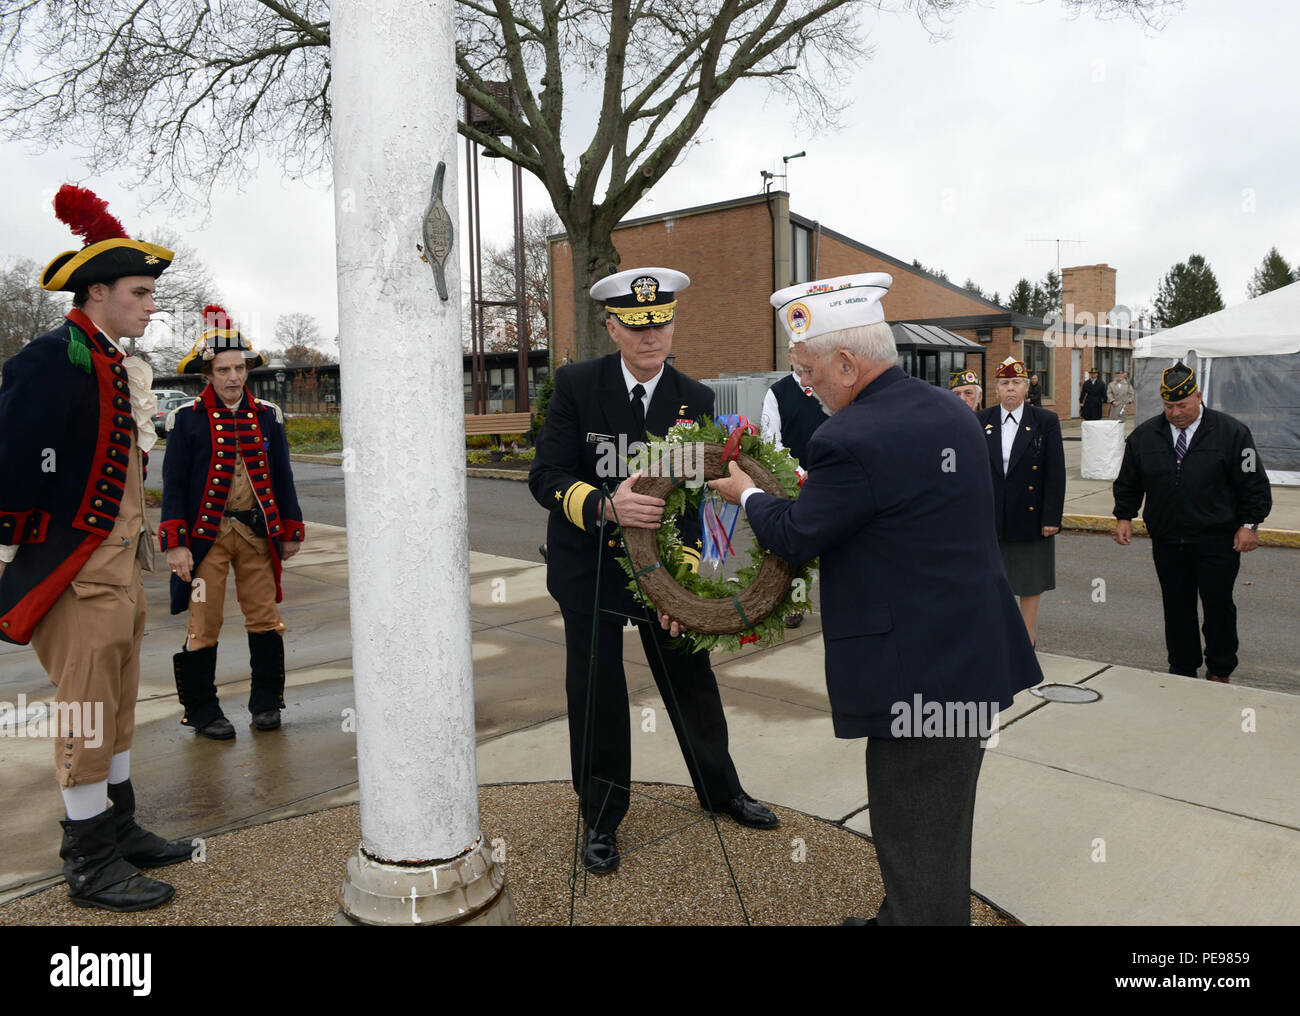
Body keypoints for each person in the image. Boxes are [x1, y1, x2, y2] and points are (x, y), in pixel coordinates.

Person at [708, 273, 1042, 925]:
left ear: (846, 361)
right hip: (968, 661)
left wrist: (745, 493)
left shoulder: (849, 437)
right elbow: (896, 504)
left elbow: (799, 536)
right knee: (935, 833)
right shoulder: (949, 410)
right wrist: (824, 490)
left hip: (914, 676)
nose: (805, 386)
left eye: (807, 371)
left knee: (913, 831)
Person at [528, 266, 778, 876]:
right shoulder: (577, 385)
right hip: (589, 566)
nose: (651, 337)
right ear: (612, 328)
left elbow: (696, 496)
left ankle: (723, 792)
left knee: (692, 682)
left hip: (665, 572)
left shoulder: (696, 398)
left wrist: (685, 577)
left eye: (660, 323)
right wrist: (604, 504)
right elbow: (546, 477)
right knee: (598, 693)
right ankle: (602, 818)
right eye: (637, 326)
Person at [0, 184, 194, 912]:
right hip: (78, 567)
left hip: (118, 564)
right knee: (83, 711)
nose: (151, 305)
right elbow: (16, 456)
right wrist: (19, 537)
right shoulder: (54, 357)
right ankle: (87, 860)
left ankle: (118, 828)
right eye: (140, 292)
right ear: (99, 291)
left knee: (113, 704)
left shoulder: (108, 356)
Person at [161, 306, 305, 738]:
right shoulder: (185, 419)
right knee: (203, 624)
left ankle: (266, 703)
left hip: (256, 535)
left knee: (265, 619)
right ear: (208, 374)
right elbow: (173, 488)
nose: (234, 377)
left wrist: (291, 528)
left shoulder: (267, 415)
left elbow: (282, 476)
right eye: (224, 369)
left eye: (240, 368)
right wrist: (176, 543)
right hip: (207, 540)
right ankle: (202, 711)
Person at [1113, 364, 1271, 683]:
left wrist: (1250, 524)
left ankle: (1219, 668)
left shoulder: (1232, 433)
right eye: (1169, 406)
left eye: (1182, 405)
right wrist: (1124, 516)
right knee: (1177, 607)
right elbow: (1129, 481)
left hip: (1217, 541)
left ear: (1198, 396)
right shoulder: (1145, 436)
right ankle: (1182, 668)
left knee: (1218, 606)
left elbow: (1254, 483)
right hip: (1168, 540)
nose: (1176, 413)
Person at [977, 357, 1066, 646]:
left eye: (1016, 383)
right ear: (996, 388)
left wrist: (1052, 517)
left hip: (1031, 513)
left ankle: (1027, 636)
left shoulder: (1045, 421)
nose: (1010, 389)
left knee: (1030, 578)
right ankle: (998, 635)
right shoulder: (982, 420)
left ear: (1027, 387)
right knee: (994, 580)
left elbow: (1055, 472)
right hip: (992, 514)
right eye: (1004, 384)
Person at [761, 342, 829, 626]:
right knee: (793, 549)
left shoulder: (830, 387)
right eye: (797, 356)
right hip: (792, 483)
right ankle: (793, 604)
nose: (803, 364)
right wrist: (800, 473)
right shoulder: (776, 393)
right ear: (790, 358)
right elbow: (770, 440)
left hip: (831, 479)